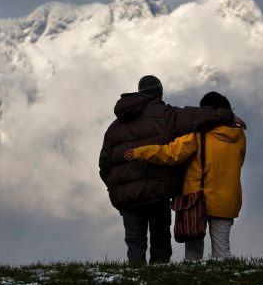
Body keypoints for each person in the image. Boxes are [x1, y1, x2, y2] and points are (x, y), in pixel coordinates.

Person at [98, 76, 241, 265]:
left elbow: (104, 166)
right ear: (159, 93)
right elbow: (195, 117)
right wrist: (227, 116)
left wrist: (116, 189)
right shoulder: (165, 115)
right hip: (159, 192)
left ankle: (134, 281)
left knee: (135, 242)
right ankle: (160, 283)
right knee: (160, 239)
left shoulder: (113, 128)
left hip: (127, 197)